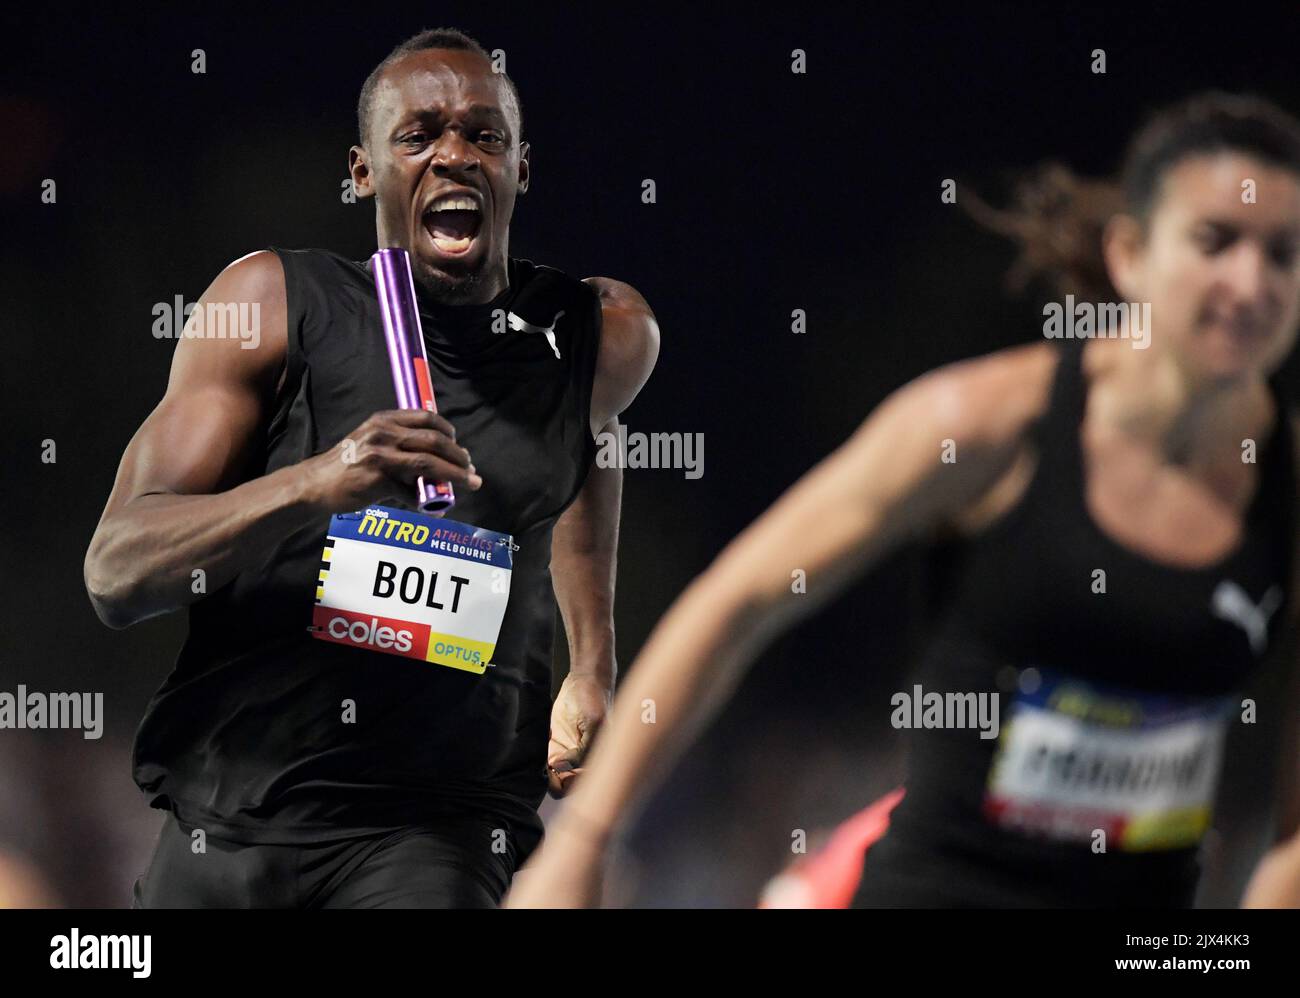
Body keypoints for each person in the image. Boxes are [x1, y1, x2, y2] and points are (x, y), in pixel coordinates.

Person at [505, 91, 1299, 908]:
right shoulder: (981, 426)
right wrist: (588, 840)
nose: (1251, 281)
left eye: (1283, 253)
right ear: (1130, 252)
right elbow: (733, 601)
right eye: (1216, 241)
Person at [83, 27, 658, 908]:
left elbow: (589, 441)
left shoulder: (600, 335)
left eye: (483, 135)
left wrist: (593, 665)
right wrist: (320, 480)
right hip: (232, 815)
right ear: (362, 173)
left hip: (438, 826)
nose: (455, 155)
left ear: (521, 169)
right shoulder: (270, 306)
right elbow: (117, 571)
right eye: (419, 135)